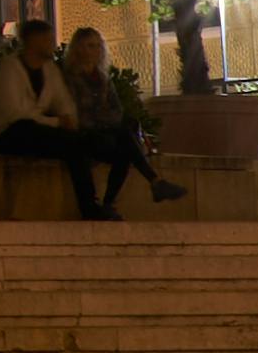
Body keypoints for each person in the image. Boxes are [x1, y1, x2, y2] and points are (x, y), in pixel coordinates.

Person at [0, 19, 109, 217]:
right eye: (47, 39)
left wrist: (68, 119)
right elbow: (15, 113)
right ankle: (89, 207)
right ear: (33, 41)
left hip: (37, 130)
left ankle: (92, 204)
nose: (52, 43)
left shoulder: (49, 70)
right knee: (28, 127)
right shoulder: (10, 68)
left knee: (77, 143)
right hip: (10, 134)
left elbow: (64, 103)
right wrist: (56, 122)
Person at [65, 22, 176, 211]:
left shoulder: (103, 79)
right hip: (86, 135)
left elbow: (116, 110)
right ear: (79, 49)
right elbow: (76, 111)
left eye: (98, 45)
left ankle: (109, 203)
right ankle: (154, 181)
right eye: (90, 45)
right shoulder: (70, 79)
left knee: (124, 149)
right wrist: (102, 120)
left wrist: (104, 120)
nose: (95, 50)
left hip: (107, 133)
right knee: (125, 139)